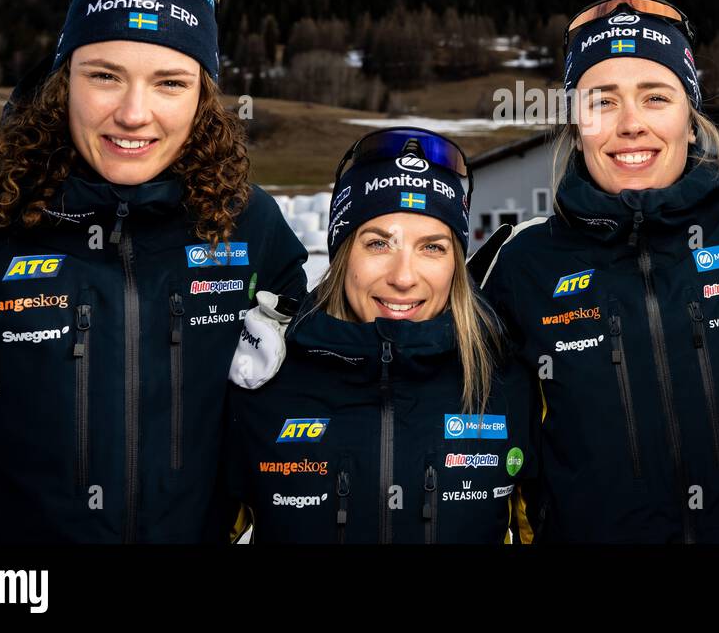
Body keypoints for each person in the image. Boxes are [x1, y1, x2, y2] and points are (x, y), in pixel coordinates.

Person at [0, 0, 307, 543]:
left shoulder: (251, 227)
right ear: (63, 81)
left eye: (170, 82)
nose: (135, 114)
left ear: (203, 97)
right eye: (105, 76)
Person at [478, 0, 719, 543]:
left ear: (691, 123)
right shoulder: (524, 270)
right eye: (601, 101)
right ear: (577, 127)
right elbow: (489, 468)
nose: (630, 125)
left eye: (656, 97)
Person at [226, 128, 537, 543]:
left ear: (456, 263)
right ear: (342, 254)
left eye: (432, 247)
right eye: (378, 244)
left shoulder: (509, 381)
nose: (403, 277)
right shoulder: (262, 383)